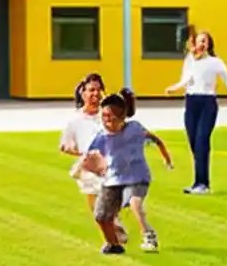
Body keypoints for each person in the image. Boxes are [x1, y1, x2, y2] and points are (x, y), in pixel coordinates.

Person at [80, 88, 172, 254]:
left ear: (122, 118)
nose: (106, 121)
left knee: (135, 203)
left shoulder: (134, 129)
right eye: (103, 117)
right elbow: (90, 156)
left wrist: (166, 157)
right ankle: (114, 244)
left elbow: (155, 139)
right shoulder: (101, 137)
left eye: (111, 118)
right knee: (101, 215)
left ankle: (149, 235)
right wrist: (91, 167)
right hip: (114, 179)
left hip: (138, 177)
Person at [165, 30, 227, 195]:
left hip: (207, 103)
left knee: (202, 141)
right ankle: (198, 182)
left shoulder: (215, 62)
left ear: (208, 45)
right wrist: (174, 88)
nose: (202, 44)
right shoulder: (190, 61)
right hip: (191, 101)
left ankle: (203, 183)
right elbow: (186, 79)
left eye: (205, 41)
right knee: (194, 142)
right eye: (199, 41)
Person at [59, 73, 127, 245]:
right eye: (91, 90)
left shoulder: (108, 115)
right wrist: (76, 152)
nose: (95, 94)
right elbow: (65, 145)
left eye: (98, 90)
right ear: (83, 93)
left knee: (105, 199)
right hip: (87, 166)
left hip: (108, 164)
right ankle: (114, 234)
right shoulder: (74, 120)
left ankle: (114, 235)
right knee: (98, 202)